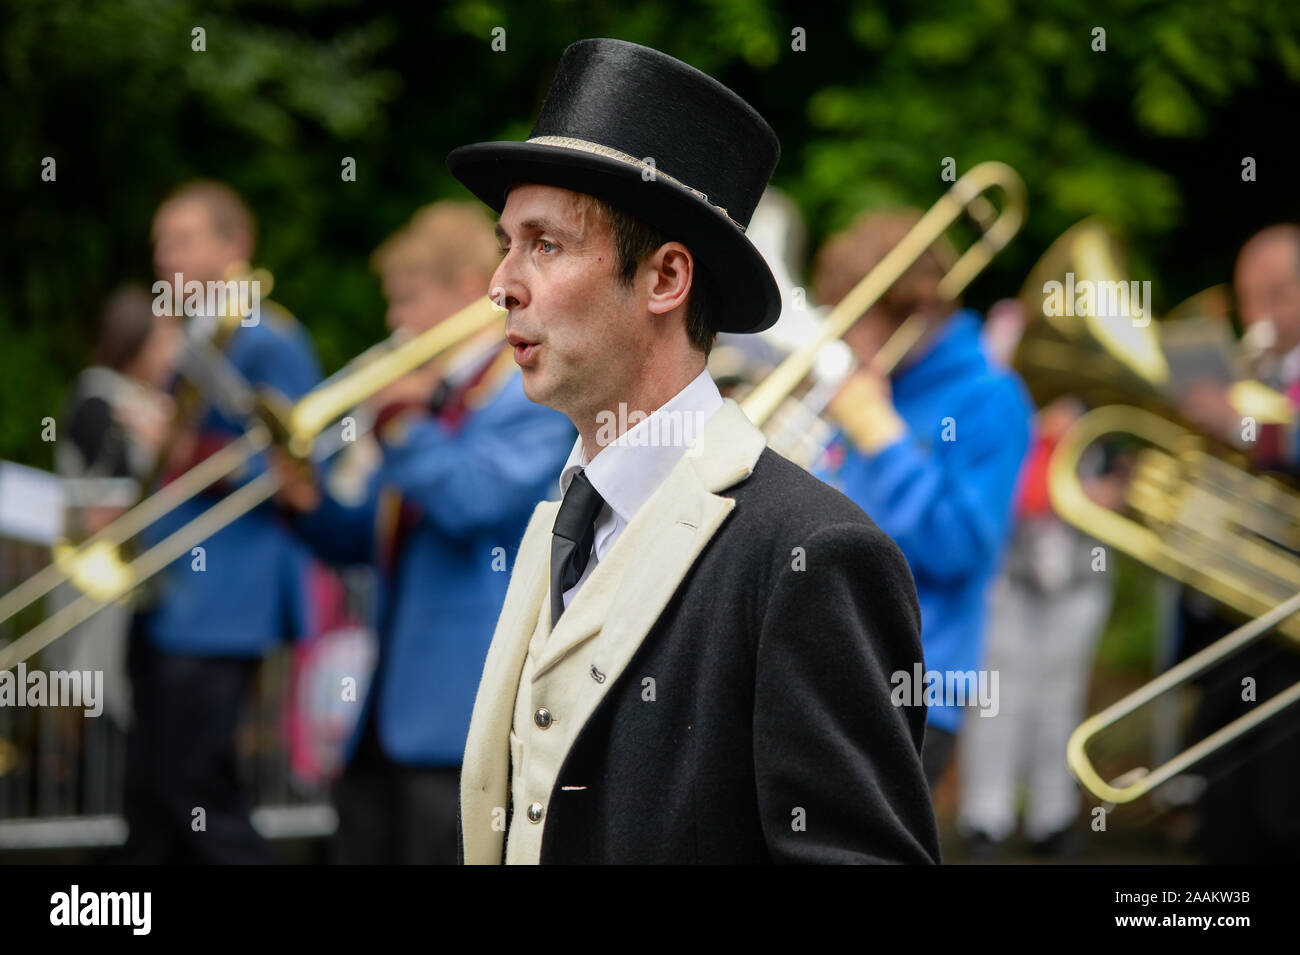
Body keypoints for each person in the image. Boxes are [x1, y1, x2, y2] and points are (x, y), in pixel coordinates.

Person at [449, 38, 940, 865]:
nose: (501, 283)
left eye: (545, 244)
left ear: (667, 279)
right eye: (507, 241)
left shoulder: (812, 551)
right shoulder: (561, 514)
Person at [272, 201, 574, 864]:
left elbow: (471, 501)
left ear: (469, 289)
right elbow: (373, 541)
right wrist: (304, 503)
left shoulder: (529, 391)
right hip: (389, 705)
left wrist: (404, 422)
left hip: (467, 712)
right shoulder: (427, 406)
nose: (392, 322)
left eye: (406, 298)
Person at [121, 180, 321, 864]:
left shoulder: (269, 337)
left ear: (234, 245)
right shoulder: (195, 337)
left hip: (221, 600)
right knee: (150, 793)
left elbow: (302, 471)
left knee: (198, 794)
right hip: (168, 591)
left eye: (179, 239)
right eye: (158, 243)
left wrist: (188, 450)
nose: (162, 257)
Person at [811, 210, 1034, 789]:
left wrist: (883, 440)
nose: (842, 336)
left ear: (913, 311)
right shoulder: (881, 381)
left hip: (915, 692)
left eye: (857, 317)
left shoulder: (991, 396)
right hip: (828, 671)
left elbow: (962, 545)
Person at [1174, 224, 1300, 863]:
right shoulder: (1251, 374)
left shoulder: (1260, 395)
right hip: (1233, 622)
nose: (1261, 314)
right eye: (1249, 296)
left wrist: (1242, 425)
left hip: (1291, 632)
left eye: (1278, 293)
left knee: (1284, 814)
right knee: (1225, 816)